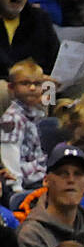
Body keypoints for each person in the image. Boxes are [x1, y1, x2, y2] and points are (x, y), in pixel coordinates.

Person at [0, 0, 58, 100]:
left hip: (37, 87)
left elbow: (54, 62)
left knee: (47, 87)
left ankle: (46, 122)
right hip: (7, 86)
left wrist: (42, 79)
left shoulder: (40, 18)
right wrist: (21, 80)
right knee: (2, 90)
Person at [1, 58, 49, 191]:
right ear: (11, 88)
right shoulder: (12, 118)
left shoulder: (36, 113)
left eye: (37, 84)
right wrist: (16, 187)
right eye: (25, 83)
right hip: (25, 183)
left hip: (40, 176)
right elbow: (9, 153)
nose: (32, 88)